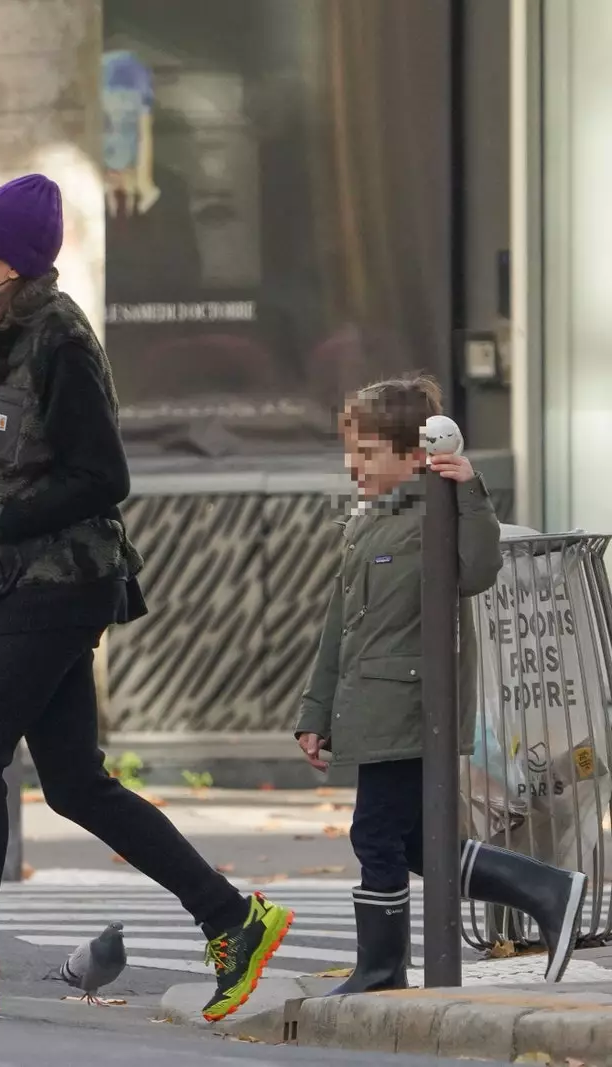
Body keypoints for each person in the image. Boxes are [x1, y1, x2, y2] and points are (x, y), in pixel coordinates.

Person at [0, 174, 294, 1020]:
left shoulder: (58, 335)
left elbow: (105, 475)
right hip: (41, 577)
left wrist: (11, 522)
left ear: (11, 261)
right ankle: (233, 919)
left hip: (66, 579)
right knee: (73, 782)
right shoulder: (14, 333)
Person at [297, 376, 587, 992]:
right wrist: (315, 710)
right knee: (408, 839)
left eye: (370, 452)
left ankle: (381, 969)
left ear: (414, 455)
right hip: (370, 703)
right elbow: (337, 627)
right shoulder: (367, 523)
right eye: (352, 449)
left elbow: (478, 570)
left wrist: (469, 489)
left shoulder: (438, 508)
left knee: (376, 832)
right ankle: (545, 889)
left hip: (412, 703)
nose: (355, 464)